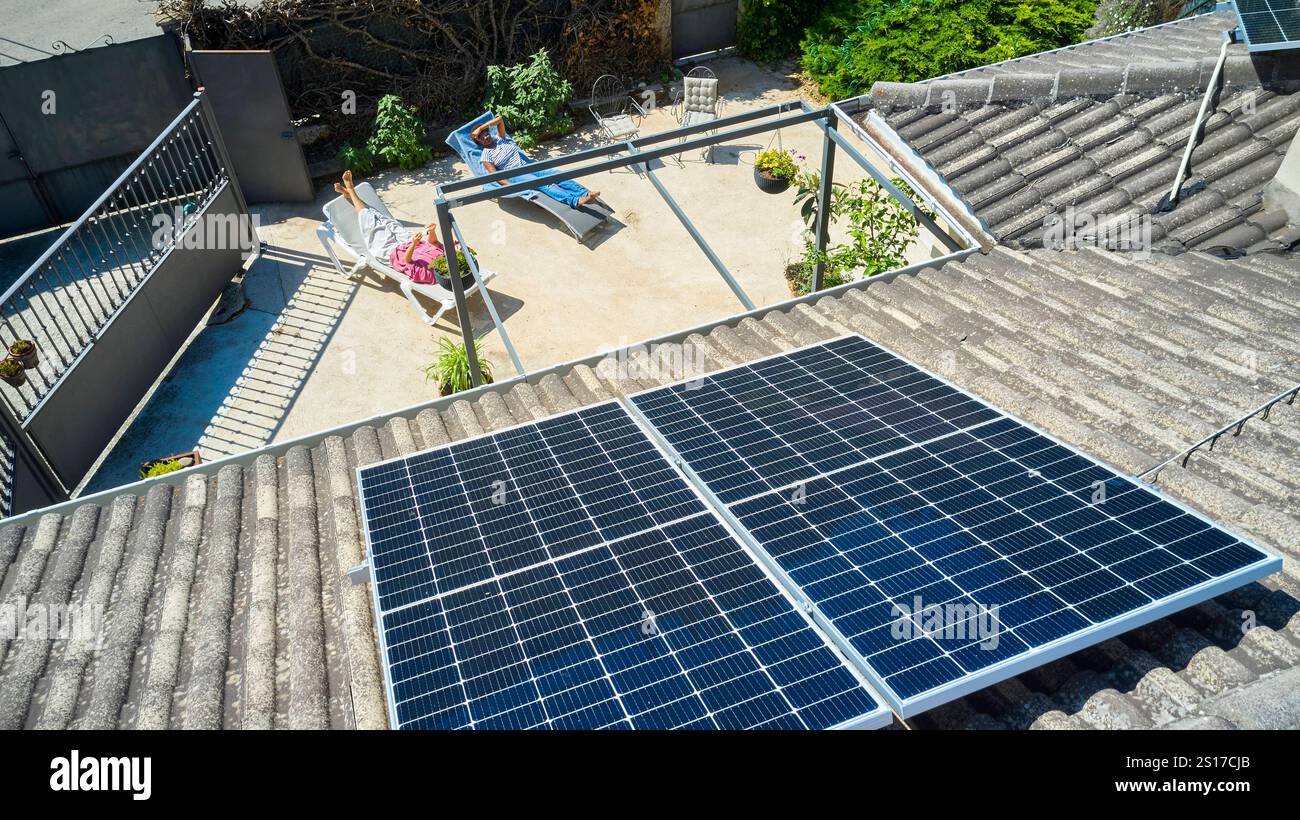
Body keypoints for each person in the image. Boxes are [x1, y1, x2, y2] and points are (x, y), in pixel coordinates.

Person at [334, 170, 446, 284]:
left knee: (371, 222)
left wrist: (413, 244)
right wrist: (431, 232)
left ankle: (351, 190)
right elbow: (435, 243)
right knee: (383, 219)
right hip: (407, 241)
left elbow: (408, 262)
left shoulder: (431, 276)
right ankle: (351, 195)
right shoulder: (447, 257)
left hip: (392, 252)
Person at [472, 115, 602, 208]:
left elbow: (500, 119)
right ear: (478, 142)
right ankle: (575, 201)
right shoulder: (486, 156)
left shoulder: (500, 138)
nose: (485, 136)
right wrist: (513, 187)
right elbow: (497, 177)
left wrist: (481, 127)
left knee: (557, 174)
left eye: (485, 133)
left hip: (528, 166)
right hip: (516, 174)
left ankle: (584, 193)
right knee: (545, 185)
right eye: (481, 137)